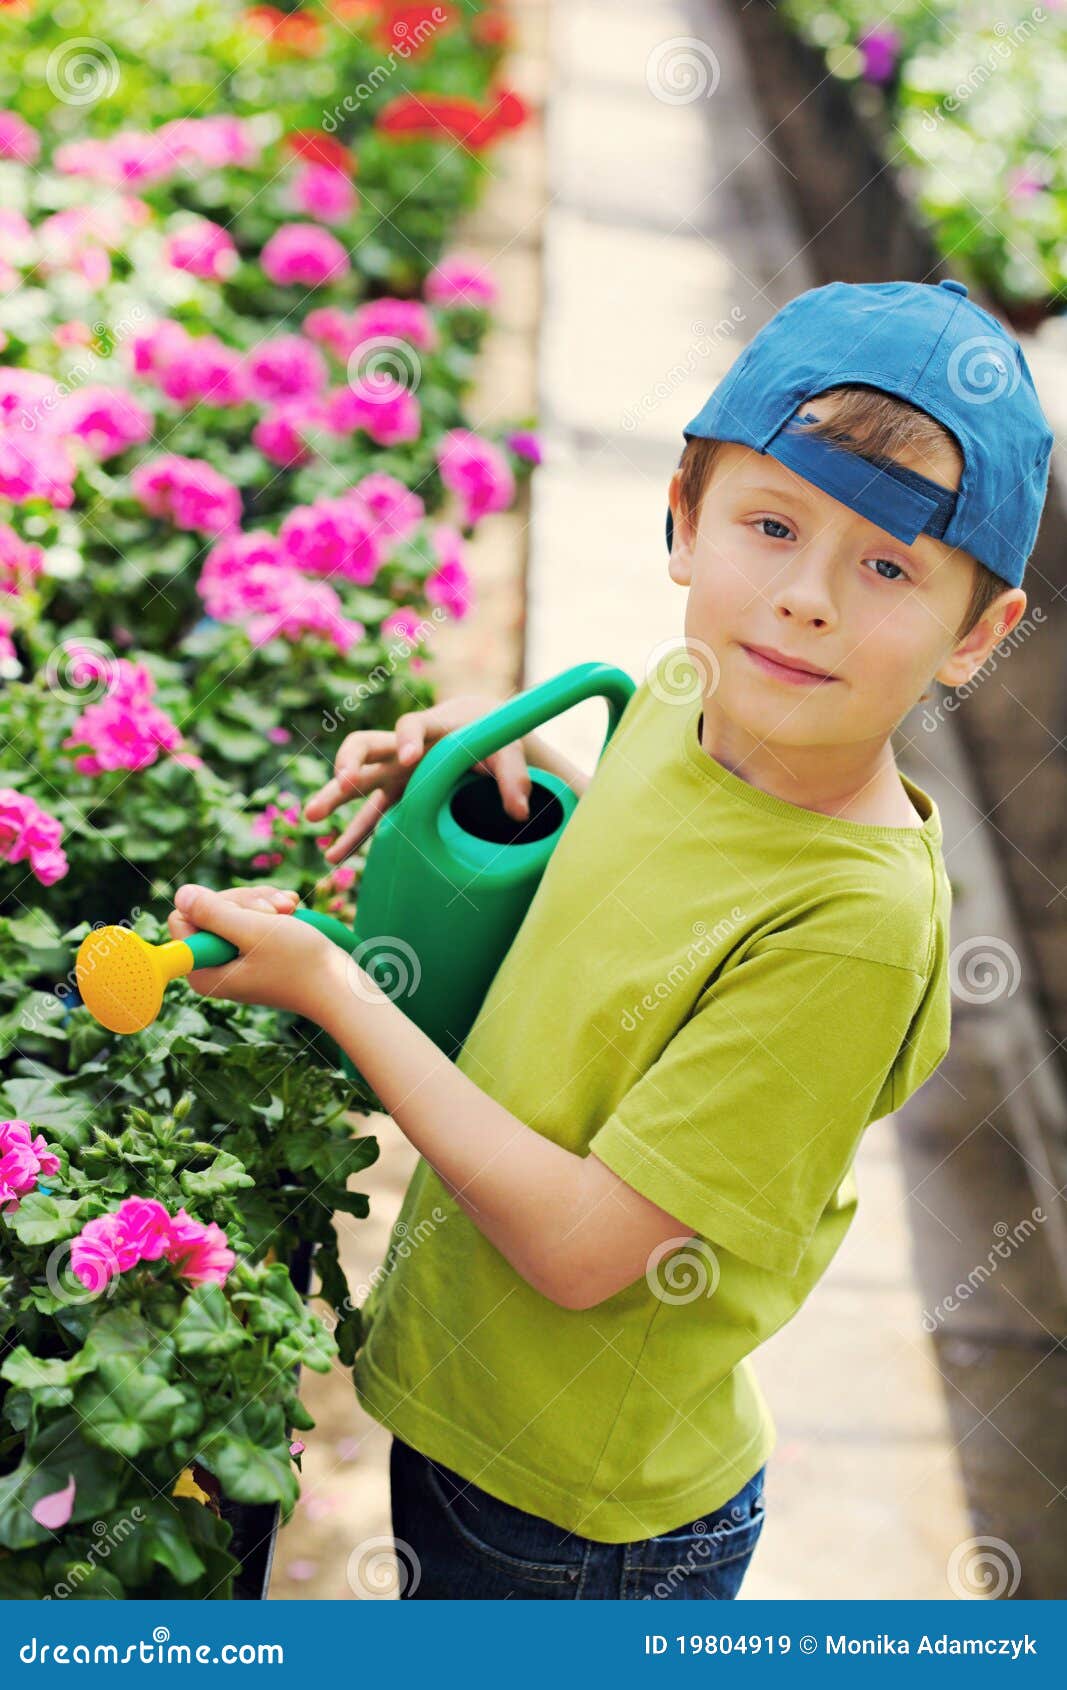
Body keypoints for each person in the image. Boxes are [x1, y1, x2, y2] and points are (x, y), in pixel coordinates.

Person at [167, 278, 1054, 1600]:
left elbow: (585, 1246)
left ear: (977, 636)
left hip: (586, 1521)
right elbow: (645, 884)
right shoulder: (693, 699)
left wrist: (338, 988)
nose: (806, 598)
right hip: (473, 1418)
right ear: (683, 515)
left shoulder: (852, 930)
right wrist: (488, 773)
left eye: (886, 566)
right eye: (771, 523)